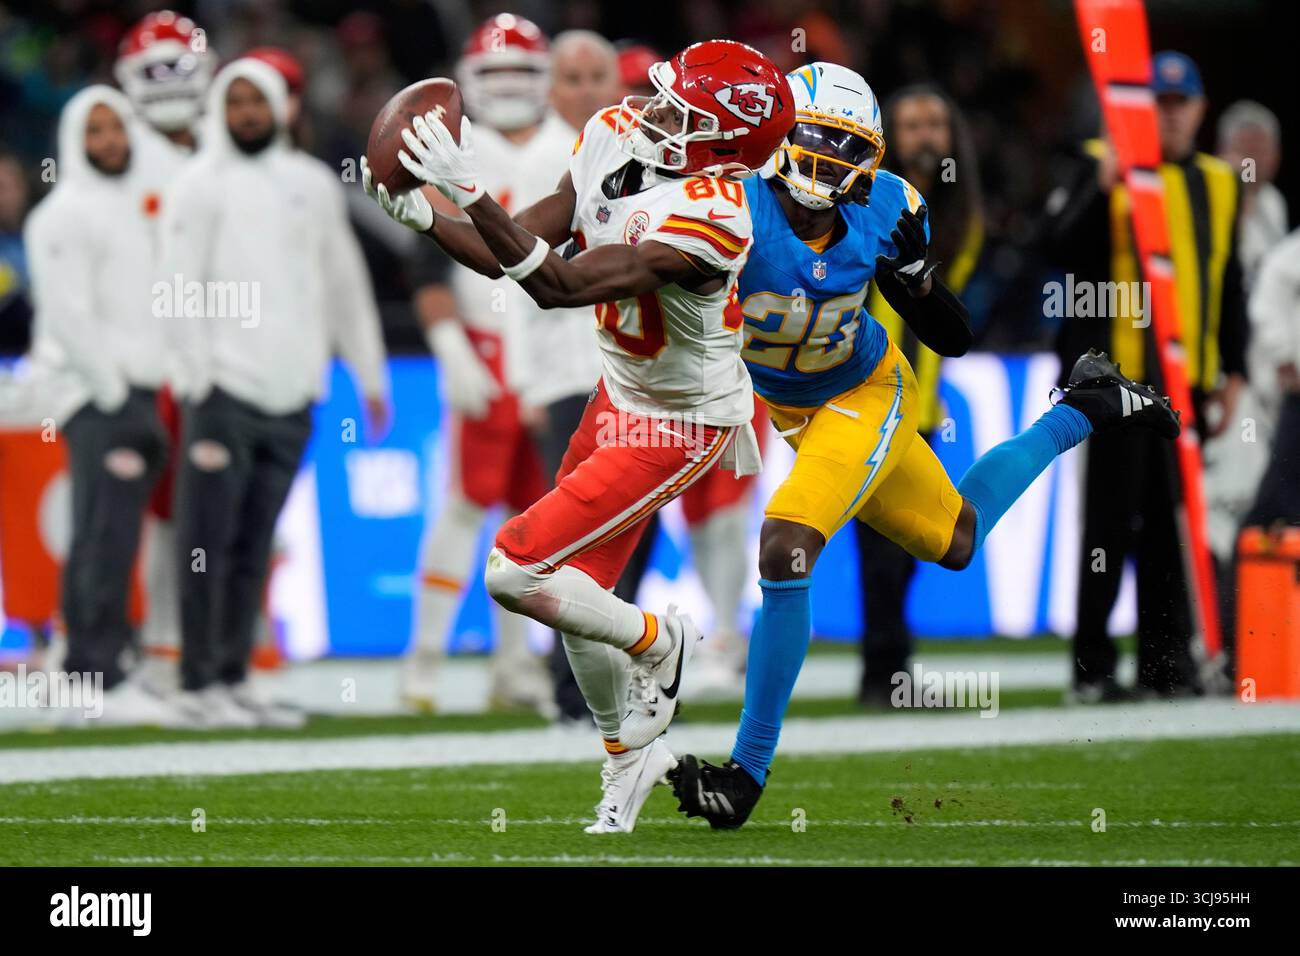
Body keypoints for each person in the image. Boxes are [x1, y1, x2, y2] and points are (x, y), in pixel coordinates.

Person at [669, 62, 1180, 830]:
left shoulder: (887, 208)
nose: (828, 159)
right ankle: (1086, 406)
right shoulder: (732, 204)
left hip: (863, 392)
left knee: (785, 546)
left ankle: (747, 771)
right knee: (958, 538)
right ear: (779, 134)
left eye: (847, 146)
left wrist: (913, 278)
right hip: (790, 405)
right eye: (814, 137)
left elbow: (956, 336)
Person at [362, 39, 792, 832]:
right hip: (615, 394)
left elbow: (557, 286)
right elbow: (509, 253)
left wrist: (465, 191)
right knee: (571, 595)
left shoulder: (719, 214)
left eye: (682, 111)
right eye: (663, 93)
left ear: (722, 146)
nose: (656, 110)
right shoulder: (616, 129)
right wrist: (430, 215)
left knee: (514, 572)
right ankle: (629, 763)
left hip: (680, 420)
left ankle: (664, 640)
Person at [163, 58, 388, 728]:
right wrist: (196, 378)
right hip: (223, 389)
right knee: (208, 537)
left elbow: (343, 280)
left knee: (256, 540)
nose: (247, 115)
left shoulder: (312, 183)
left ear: (281, 108)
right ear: (219, 111)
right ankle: (196, 679)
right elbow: (177, 284)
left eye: (256, 102)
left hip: (294, 392)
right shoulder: (198, 185)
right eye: (234, 104)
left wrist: (369, 372)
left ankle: (235, 674)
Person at [1046, 50, 1247, 701]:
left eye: (1180, 103)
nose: (1170, 116)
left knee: (1169, 524)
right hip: (1110, 385)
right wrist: (1099, 189)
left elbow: (1228, 282)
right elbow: (1054, 247)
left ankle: (1167, 664)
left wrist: (1233, 371)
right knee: (1108, 523)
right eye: (1158, 103)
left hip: (1181, 384)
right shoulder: (1096, 163)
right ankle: (1093, 670)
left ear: (1199, 109)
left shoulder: (1217, 181)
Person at [401, 14, 568, 716]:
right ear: (467, 80)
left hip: (559, 354)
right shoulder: (450, 144)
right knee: (468, 506)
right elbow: (422, 259)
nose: (504, 87)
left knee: (532, 520)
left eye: (517, 72)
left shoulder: (576, 146)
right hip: (485, 346)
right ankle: (425, 662)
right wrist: (450, 346)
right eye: (491, 73)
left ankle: (514, 663)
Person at [24, 87, 172, 724]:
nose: (109, 141)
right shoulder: (59, 216)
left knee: (111, 535)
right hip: (96, 396)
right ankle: (96, 675)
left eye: (117, 128)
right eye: (96, 131)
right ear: (74, 140)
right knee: (101, 536)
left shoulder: (136, 209)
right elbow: (66, 314)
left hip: (134, 390)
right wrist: (113, 392)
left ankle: (87, 671)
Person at [853, 83, 984, 706]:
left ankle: (889, 670)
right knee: (879, 551)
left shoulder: (966, 220)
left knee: (908, 549)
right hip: (862, 404)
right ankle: (883, 672)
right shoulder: (862, 206)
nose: (927, 136)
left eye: (936, 122)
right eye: (912, 124)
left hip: (923, 410)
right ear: (888, 138)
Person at [113, 9, 217, 695]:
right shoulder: (113, 152)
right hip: (140, 360)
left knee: (203, 513)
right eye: (154, 70)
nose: (167, 82)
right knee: (140, 513)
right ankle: (142, 651)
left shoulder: (222, 151)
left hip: (215, 360)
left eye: (176, 66)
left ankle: (201, 655)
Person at [1216, 101, 1286, 291]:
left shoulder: (1273, 200)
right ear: (1223, 152)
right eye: (1247, 151)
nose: (1254, 161)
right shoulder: (1209, 191)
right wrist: (1236, 194)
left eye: (1262, 151)